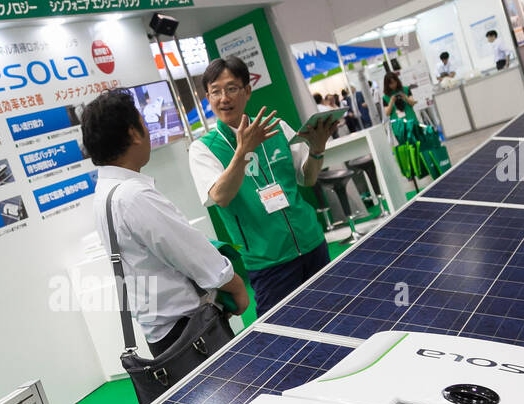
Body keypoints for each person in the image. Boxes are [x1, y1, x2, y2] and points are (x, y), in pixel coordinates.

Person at [84, 89, 248, 356]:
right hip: (188, 331)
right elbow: (189, 252)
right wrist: (235, 284)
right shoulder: (134, 196)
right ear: (134, 134)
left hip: (164, 333)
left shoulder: (105, 193)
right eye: (144, 122)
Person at [187, 55, 337, 319]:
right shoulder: (203, 149)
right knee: (284, 333)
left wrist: (316, 149)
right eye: (216, 92)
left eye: (232, 88)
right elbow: (220, 196)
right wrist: (243, 151)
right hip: (268, 261)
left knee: (333, 314)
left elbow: (307, 179)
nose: (224, 98)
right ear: (208, 98)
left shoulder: (276, 127)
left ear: (247, 91)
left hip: (312, 242)